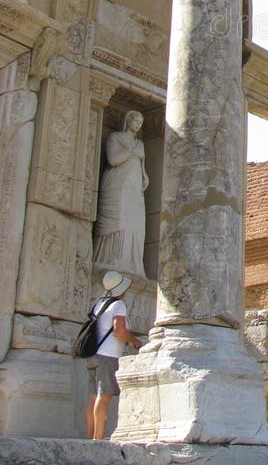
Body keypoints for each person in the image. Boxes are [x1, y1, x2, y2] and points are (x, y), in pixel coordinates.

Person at [85, 271, 142, 440]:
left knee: (93, 398)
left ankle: (90, 437)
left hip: (93, 354)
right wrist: (134, 341)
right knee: (104, 397)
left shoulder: (99, 304)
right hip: (108, 356)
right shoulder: (118, 305)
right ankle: (98, 438)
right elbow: (119, 330)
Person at [94, 110, 149, 276]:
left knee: (135, 223)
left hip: (134, 186)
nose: (138, 124)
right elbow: (113, 159)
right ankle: (111, 259)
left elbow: (142, 166)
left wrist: (145, 177)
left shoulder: (140, 144)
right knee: (119, 219)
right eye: (135, 120)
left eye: (141, 121)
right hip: (117, 184)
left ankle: (132, 263)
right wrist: (131, 152)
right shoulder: (116, 138)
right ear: (128, 120)